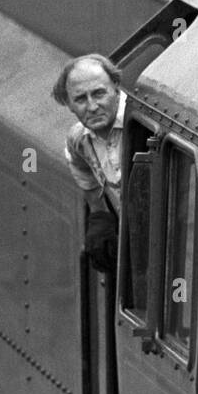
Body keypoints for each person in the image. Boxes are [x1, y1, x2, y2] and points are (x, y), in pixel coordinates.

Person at [52, 54, 124, 273]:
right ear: (69, 105)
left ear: (117, 89)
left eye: (99, 94)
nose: (92, 106)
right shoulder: (78, 139)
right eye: (81, 99)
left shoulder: (145, 124)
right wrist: (99, 213)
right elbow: (78, 164)